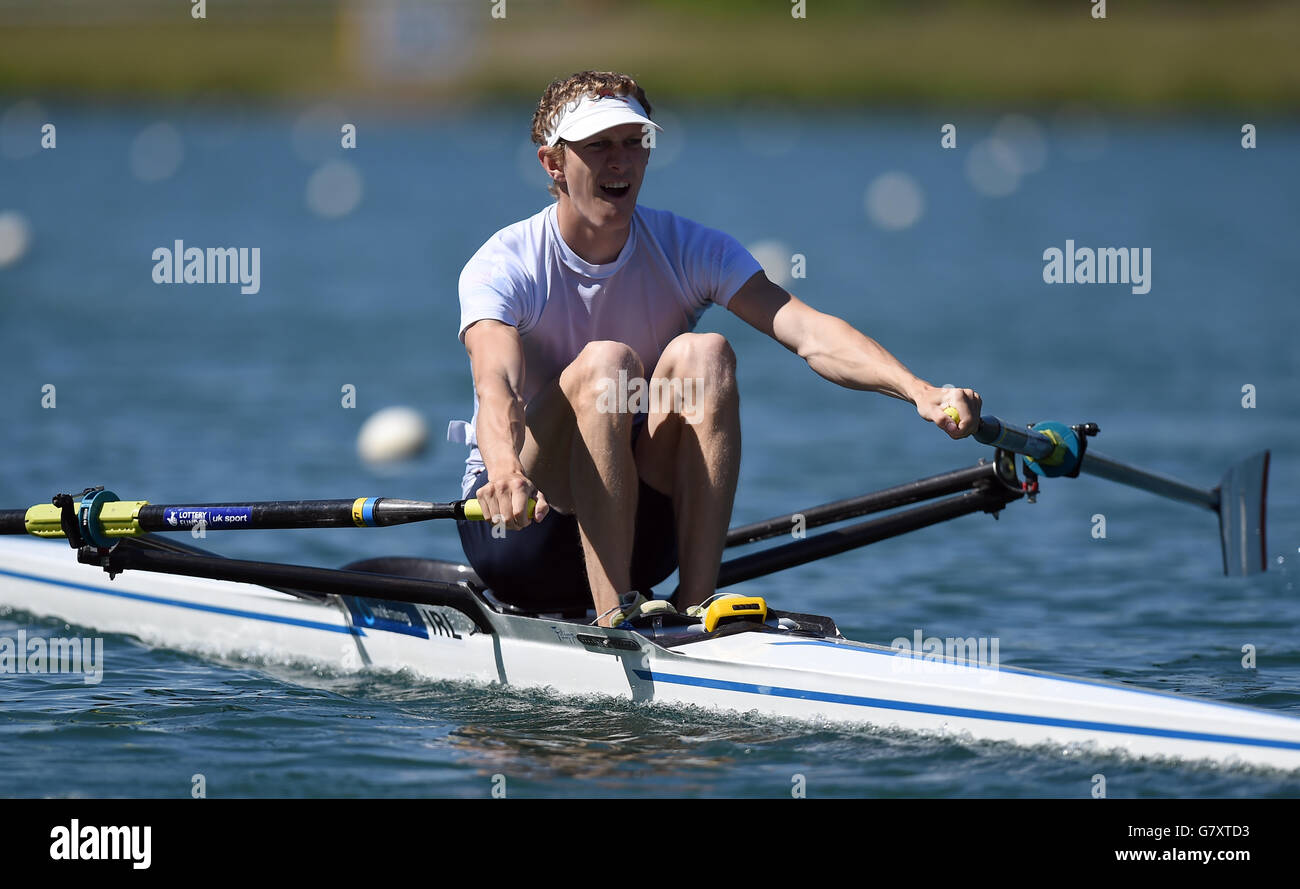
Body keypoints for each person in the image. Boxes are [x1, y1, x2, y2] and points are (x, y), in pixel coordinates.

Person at [452, 70, 979, 626]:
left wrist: (918, 390)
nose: (620, 162)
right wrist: (506, 468)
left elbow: (810, 333)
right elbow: (497, 388)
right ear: (553, 163)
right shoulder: (505, 264)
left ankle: (694, 605)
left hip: (642, 537)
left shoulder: (687, 247)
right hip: (522, 528)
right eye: (599, 145)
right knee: (607, 364)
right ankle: (614, 622)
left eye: (634, 143)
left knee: (706, 353)